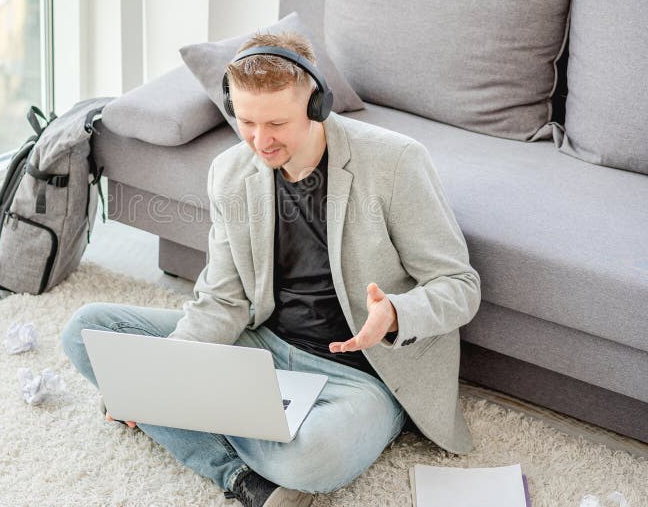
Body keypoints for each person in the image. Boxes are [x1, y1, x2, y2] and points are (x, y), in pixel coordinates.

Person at [62, 30, 482, 507]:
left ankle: (179, 420)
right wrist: (167, 374)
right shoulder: (230, 172)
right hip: (263, 344)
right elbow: (224, 298)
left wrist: (396, 315)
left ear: (316, 105)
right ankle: (245, 479)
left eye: (277, 123)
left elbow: (460, 286)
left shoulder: (396, 162)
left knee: (313, 458)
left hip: (362, 372)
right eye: (246, 122)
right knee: (86, 330)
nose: (261, 141)